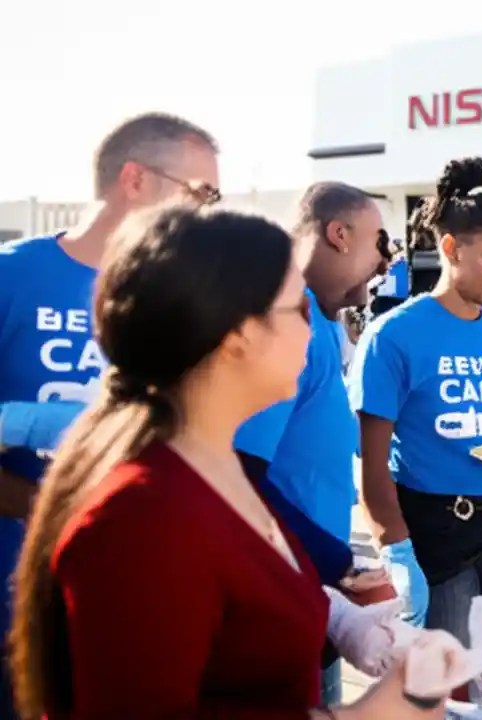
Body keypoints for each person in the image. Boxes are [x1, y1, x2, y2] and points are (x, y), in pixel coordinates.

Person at [8, 205, 450, 720]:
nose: (314, 330)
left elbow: (233, 603)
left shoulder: (215, 475)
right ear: (238, 334)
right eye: (296, 311)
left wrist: (340, 619)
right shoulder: (143, 514)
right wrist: (362, 717)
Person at [0, 112, 219, 720]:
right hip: (13, 609)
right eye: (199, 192)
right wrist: (48, 504)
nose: (207, 211)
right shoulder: (11, 276)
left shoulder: (176, 302)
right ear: (135, 179)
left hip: (122, 613)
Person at [350, 157, 482, 652]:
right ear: (452, 248)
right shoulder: (393, 335)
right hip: (436, 536)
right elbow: (371, 469)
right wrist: (396, 549)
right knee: (446, 691)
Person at [233, 181, 394, 703]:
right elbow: (234, 475)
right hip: (274, 598)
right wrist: (336, 563)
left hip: (310, 589)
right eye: (378, 243)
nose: (384, 262)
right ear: (339, 235)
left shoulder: (321, 321)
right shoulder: (286, 321)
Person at [372, 240, 411, 316]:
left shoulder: (397, 262)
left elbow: (390, 286)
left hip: (393, 298)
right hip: (399, 298)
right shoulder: (402, 261)